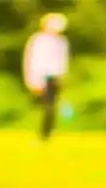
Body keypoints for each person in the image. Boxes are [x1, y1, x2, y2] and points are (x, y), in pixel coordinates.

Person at [22, 13, 70, 141]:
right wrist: (33, 79)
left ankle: (47, 133)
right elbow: (32, 60)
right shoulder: (38, 40)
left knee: (51, 107)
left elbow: (63, 60)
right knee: (45, 107)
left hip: (55, 77)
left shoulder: (62, 42)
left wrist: (62, 77)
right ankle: (42, 133)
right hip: (42, 77)